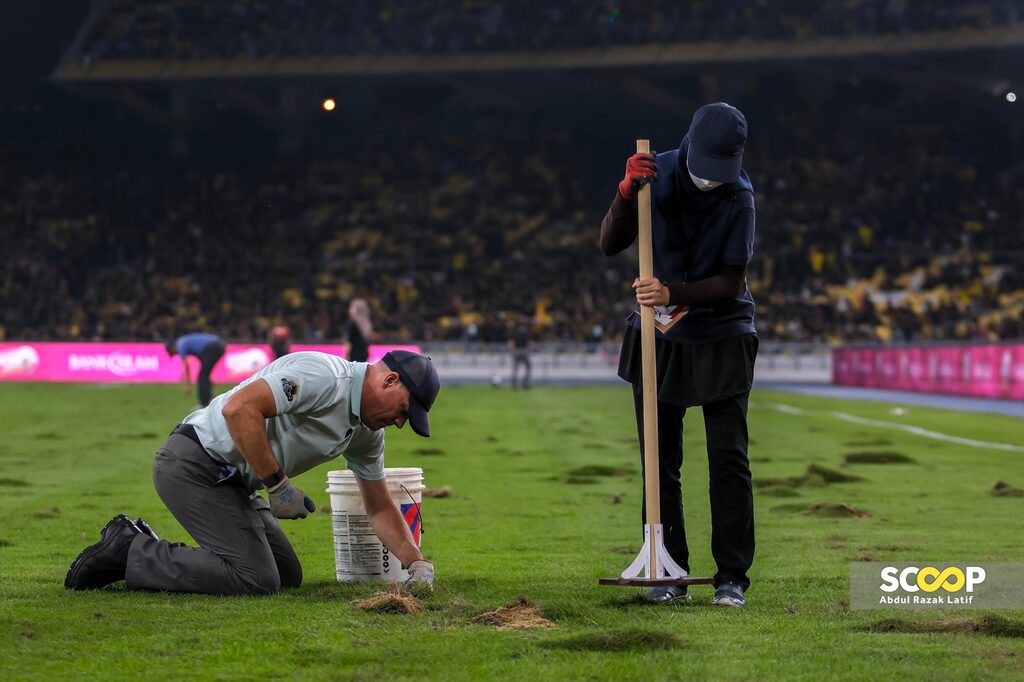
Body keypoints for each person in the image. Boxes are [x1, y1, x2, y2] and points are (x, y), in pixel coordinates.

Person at [64, 350, 441, 596]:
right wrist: (279, 488)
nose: (400, 424)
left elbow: (378, 506)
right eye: (405, 411)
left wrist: (415, 560)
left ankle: (140, 545)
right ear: (390, 381)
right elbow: (239, 409)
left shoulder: (366, 432)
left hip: (235, 482)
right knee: (256, 580)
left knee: (286, 575)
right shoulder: (326, 377)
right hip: (193, 462)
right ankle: (129, 548)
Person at [600, 103, 757, 608]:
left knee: (728, 458)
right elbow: (609, 243)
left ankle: (732, 575)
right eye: (705, 167)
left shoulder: (739, 197)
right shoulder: (655, 173)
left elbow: (732, 283)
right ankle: (669, 570)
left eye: (722, 171)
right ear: (689, 144)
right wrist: (625, 195)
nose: (712, 180)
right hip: (659, 336)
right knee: (659, 460)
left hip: (722, 332)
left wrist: (673, 292)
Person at [165, 333, 226, 407]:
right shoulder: (186, 342)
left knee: (202, 376)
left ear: (173, 347)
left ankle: (204, 403)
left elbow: (186, 365)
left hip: (213, 346)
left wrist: (188, 385)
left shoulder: (180, 344)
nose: (176, 354)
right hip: (219, 345)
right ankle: (210, 399)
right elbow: (203, 361)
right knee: (204, 375)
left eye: (173, 352)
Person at [507, 323, 532, 389]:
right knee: (528, 367)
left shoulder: (515, 333)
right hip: (524, 351)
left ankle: (514, 384)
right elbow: (528, 344)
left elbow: (511, 343)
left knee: (515, 368)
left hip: (517, 351)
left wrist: (512, 351)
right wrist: (528, 351)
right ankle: (525, 384)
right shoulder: (527, 333)